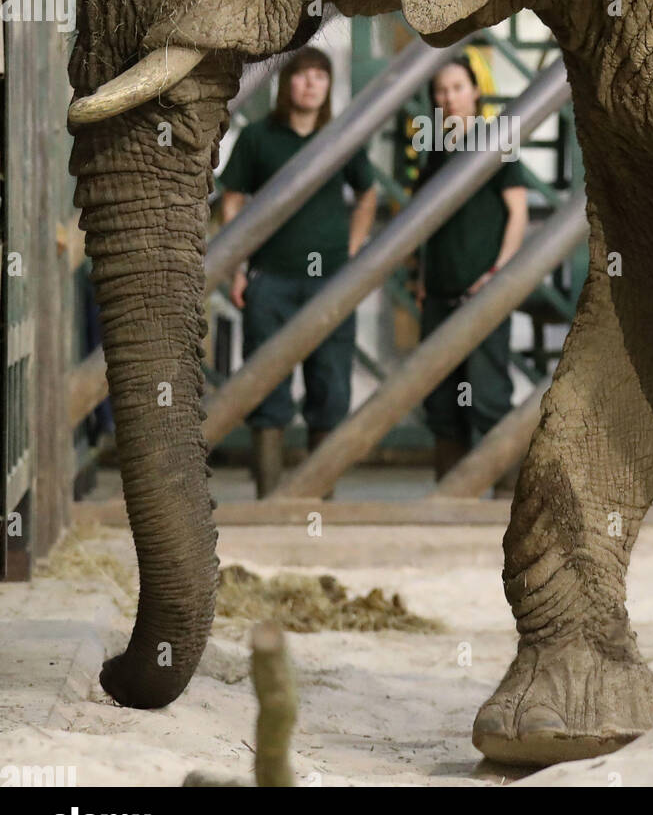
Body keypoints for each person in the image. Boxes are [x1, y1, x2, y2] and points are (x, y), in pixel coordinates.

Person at [217, 46, 378, 496]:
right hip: (270, 281)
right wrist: (238, 267)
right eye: (303, 76)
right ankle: (269, 497)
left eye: (320, 78)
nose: (311, 84)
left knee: (330, 386)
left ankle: (319, 499)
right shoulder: (258, 138)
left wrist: (351, 246)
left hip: (330, 283)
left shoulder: (340, 137)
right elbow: (232, 200)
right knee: (266, 387)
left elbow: (368, 193)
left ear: (328, 88)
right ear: (285, 84)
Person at [415, 55, 529, 490]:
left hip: (484, 292)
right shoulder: (433, 151)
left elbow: (517, 212)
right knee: (442, 401)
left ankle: (506, 500)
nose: (449, 97)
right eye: (441, 91)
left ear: (475, 91)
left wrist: (498, 273)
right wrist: (423, 281)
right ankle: (451, 500)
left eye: (457, 87)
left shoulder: (495, 141)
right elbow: (424, 226)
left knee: (487, 396)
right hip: (438, 295)